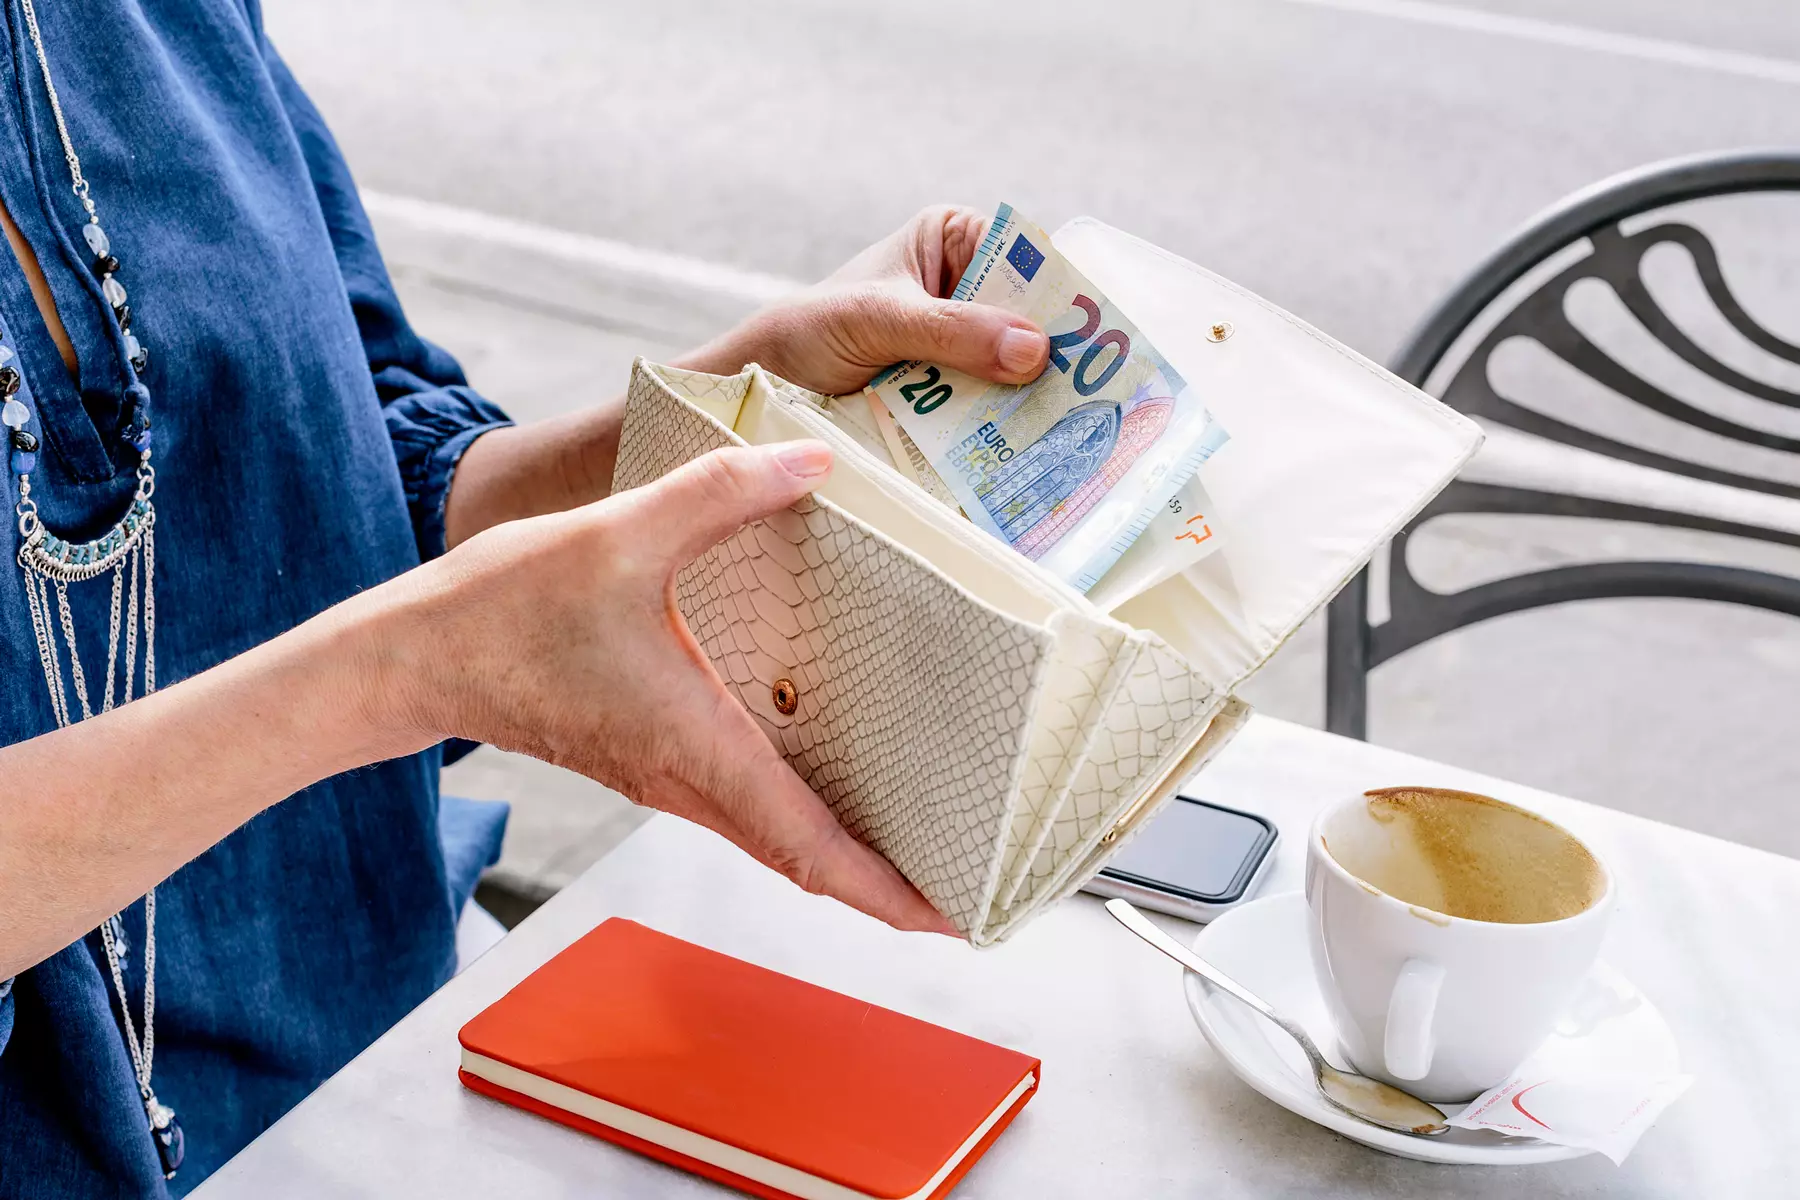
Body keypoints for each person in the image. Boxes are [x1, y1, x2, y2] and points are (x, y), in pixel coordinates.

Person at [0, 4, 1049, 1196]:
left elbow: (348, 490)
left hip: (413, 1070)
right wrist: (411, 669)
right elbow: (413, 629)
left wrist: (726, 410)